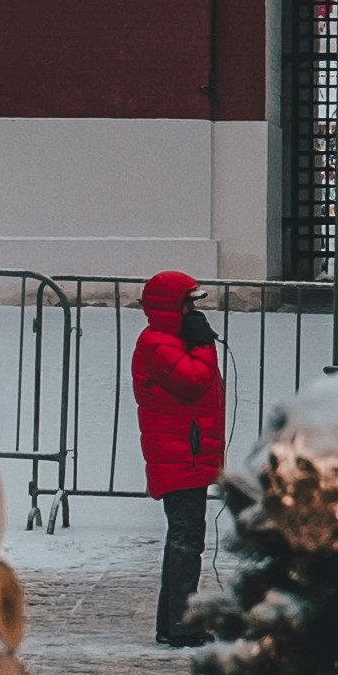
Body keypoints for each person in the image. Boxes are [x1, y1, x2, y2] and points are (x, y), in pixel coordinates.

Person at [132, 275, 226, 648]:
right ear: (171, 307)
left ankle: (172, 623)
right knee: (186, 540)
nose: (194, 311)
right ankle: (182, 624)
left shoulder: (169, 341)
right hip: (179, 454)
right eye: (188, 304)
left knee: (184, 538)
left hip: (186, 451)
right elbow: (194, 380)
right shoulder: (157, 343)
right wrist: (204, 345)